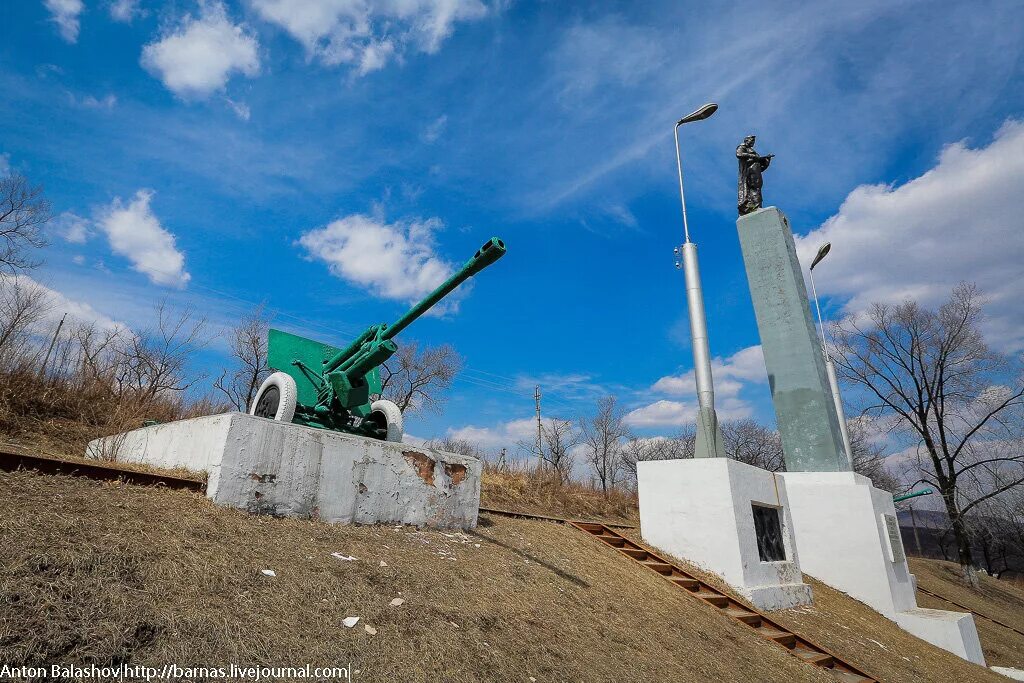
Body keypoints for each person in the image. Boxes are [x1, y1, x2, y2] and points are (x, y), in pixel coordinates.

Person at [737, 135, 773, 215]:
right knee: (754, 188)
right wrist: (753, 156)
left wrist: (766, 162)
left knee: (757, 189)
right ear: (746, 140)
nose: (753, 143)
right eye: (752, 141)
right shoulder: (742, 147)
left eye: (754, 141)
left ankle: (757, 206)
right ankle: (755, 207)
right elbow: (739, 154)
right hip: (749, 171)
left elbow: (761, 168)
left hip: (755, 171)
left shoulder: (751, 150)